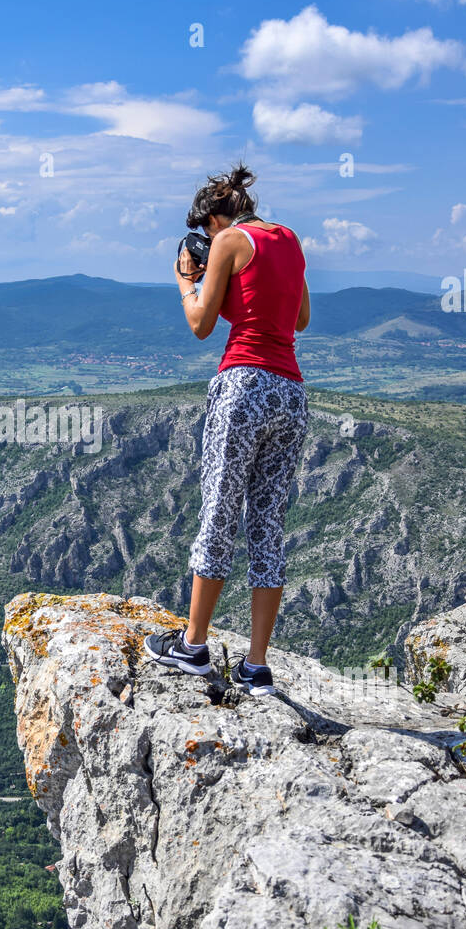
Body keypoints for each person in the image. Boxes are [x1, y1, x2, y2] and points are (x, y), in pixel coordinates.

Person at [144, 165, 310, 695]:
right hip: (291, 392)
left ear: (215, 218)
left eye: (208, 230)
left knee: (219, 509)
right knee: (266, 523)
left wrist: (185, 280)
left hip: (243, 387)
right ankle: (256, 665)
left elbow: (200, 324)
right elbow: (300, 318)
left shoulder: (230, 241)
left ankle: (193, 646)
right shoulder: (288, 240)